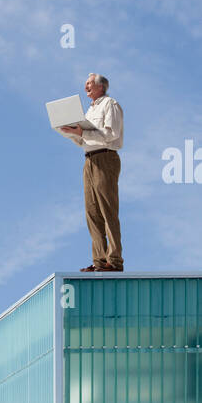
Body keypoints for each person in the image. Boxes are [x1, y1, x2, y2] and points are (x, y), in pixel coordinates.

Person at [59, 72, 124, 272]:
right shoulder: (89, 111)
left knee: (107, 210)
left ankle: (114, 261)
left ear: (101, 87)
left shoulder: (110, 104)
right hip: (89, 159)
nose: (86, 86)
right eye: (85, 84)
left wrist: (83, 132)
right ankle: (99, 260)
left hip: (106, 157)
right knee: (92, 212)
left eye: (89, 83)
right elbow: (84, 140)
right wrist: (72, 133)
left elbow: (111, 135)